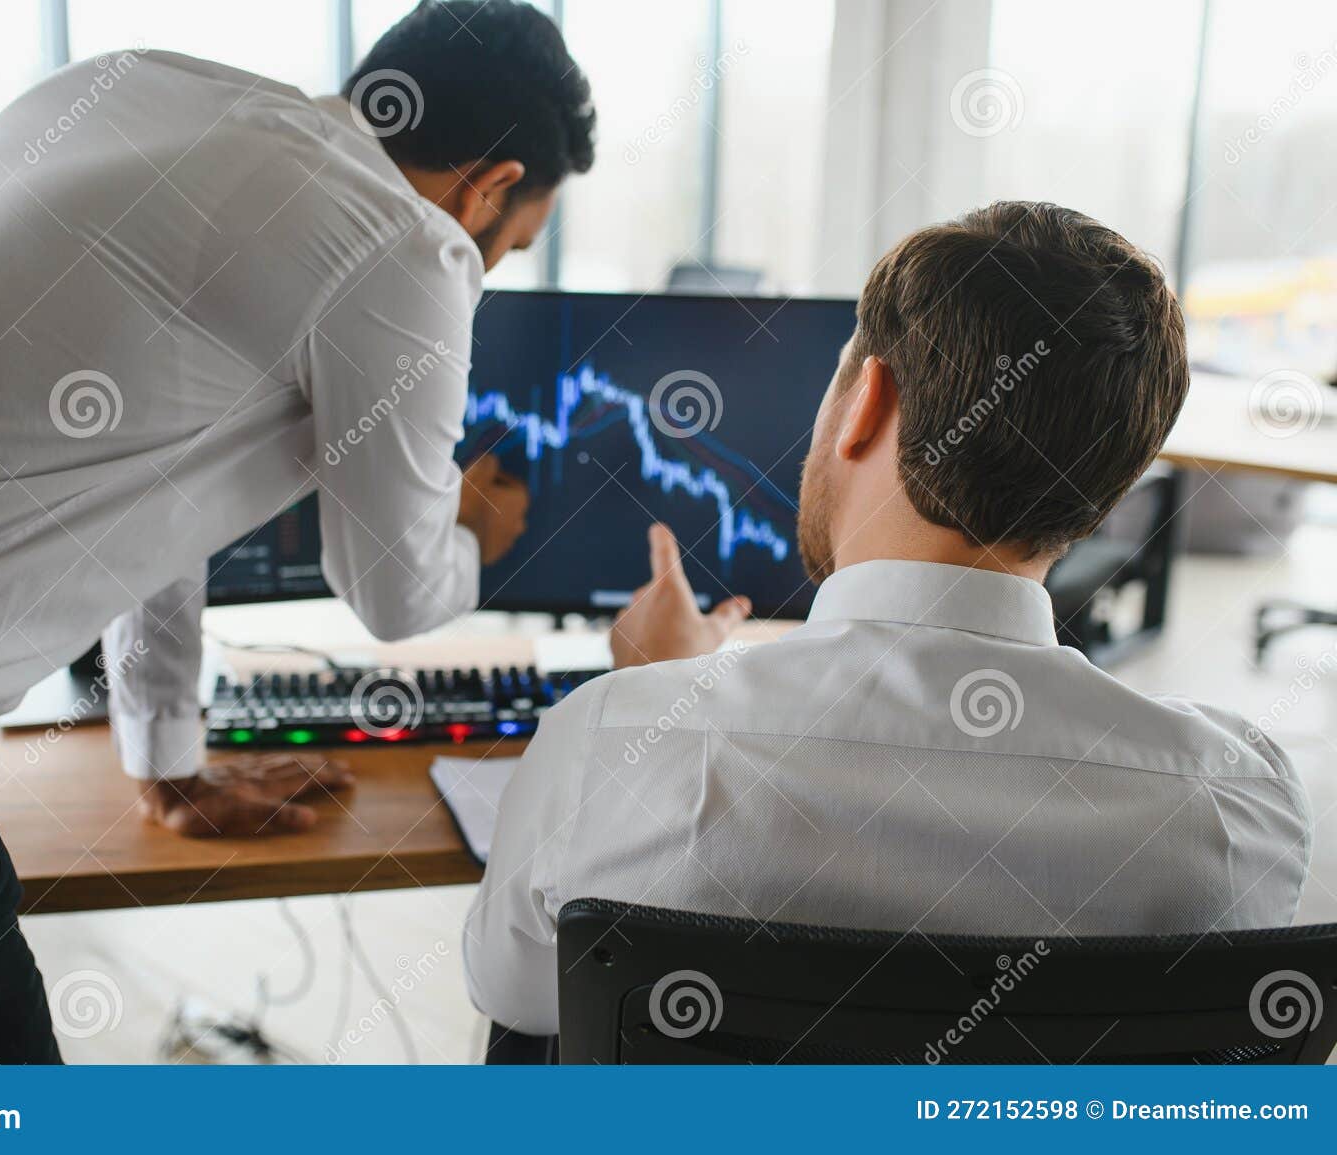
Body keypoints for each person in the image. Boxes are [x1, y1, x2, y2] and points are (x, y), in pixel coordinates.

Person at [0, 1, 593, 1062]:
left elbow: (146, 485)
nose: (487, 269)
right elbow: (395, 589)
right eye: (509, 247)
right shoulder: (406, 247)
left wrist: (166, 753)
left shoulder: (134, 87)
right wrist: (472, 526)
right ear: (490, 186)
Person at [464, 201, 1311, 1038]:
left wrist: (651, 690)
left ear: (868, 400)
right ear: (1109, 488)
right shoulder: (1237, 805)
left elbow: (519, 993)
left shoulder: (615, 740)